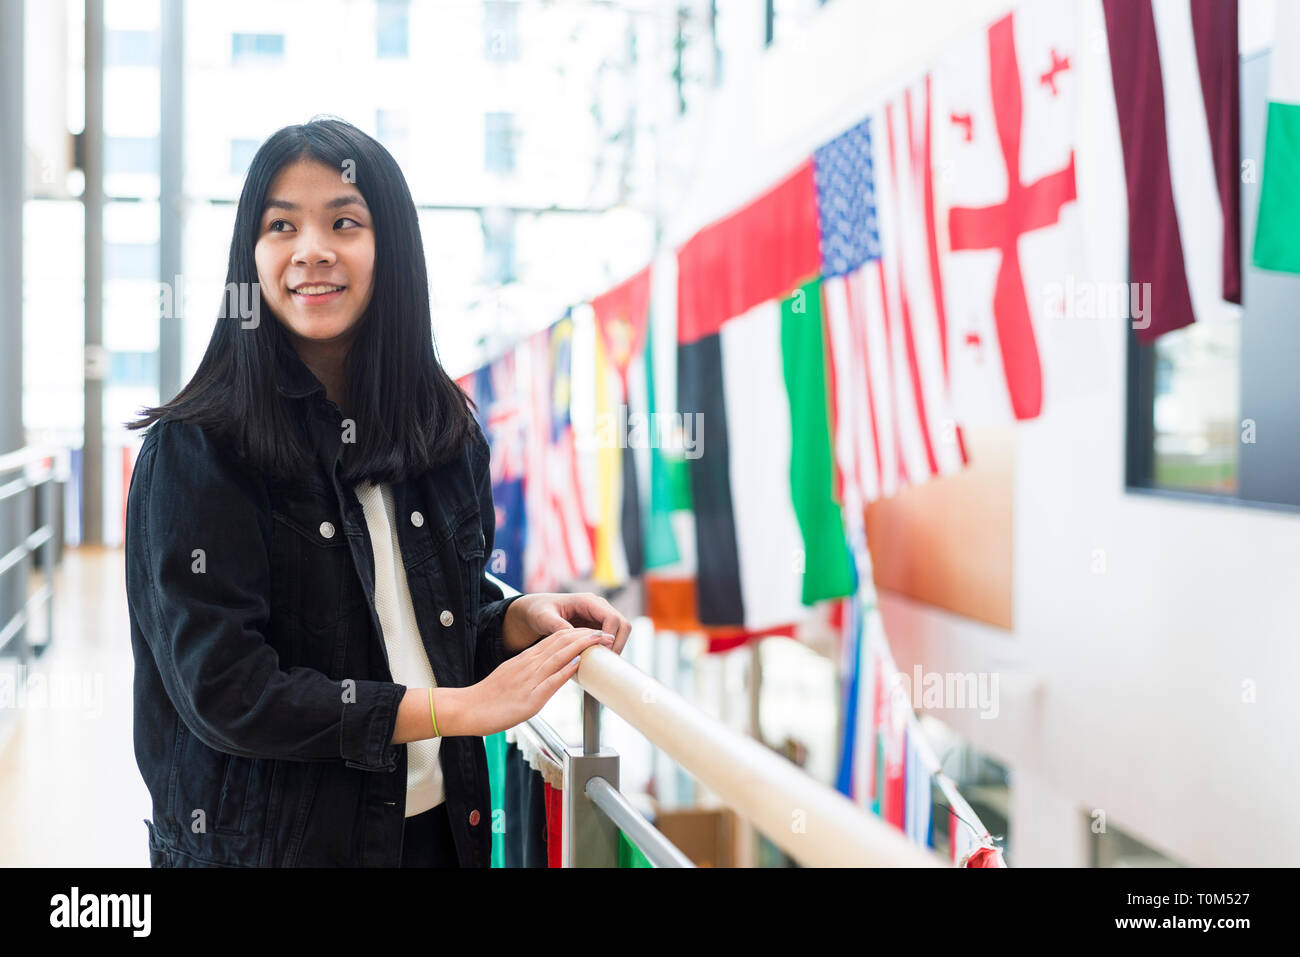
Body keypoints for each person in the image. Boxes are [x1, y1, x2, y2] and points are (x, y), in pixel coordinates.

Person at [123, 116, 631, 868]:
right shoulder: (199, 446)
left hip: (433, 833)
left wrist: (514, 620)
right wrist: (464, 709)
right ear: (251, 256)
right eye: (281, 225)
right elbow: (228, 689)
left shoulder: (441, 434)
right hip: (270, 850)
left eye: (344, 221)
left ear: (390, 249)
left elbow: (401, 626)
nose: (312, 249)